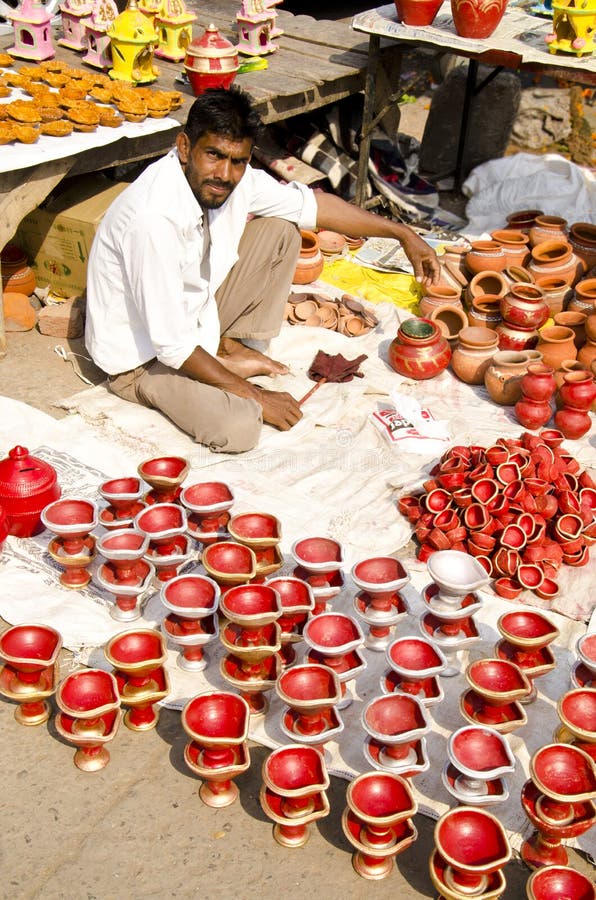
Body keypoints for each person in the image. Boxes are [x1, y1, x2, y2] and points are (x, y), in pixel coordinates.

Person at [85, 87, 440, 453]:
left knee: (281, 231)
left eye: (238, 160)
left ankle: (229, 345)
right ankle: (214, 370)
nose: (224, 173)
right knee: (240, 427)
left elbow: (315, 207)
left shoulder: (234, 180)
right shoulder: (153, 218)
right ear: (184, 146)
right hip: (144, 360)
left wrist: (402, 233)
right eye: (213, 155)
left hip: (193, 318)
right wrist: (257, 398)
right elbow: (172, 346)